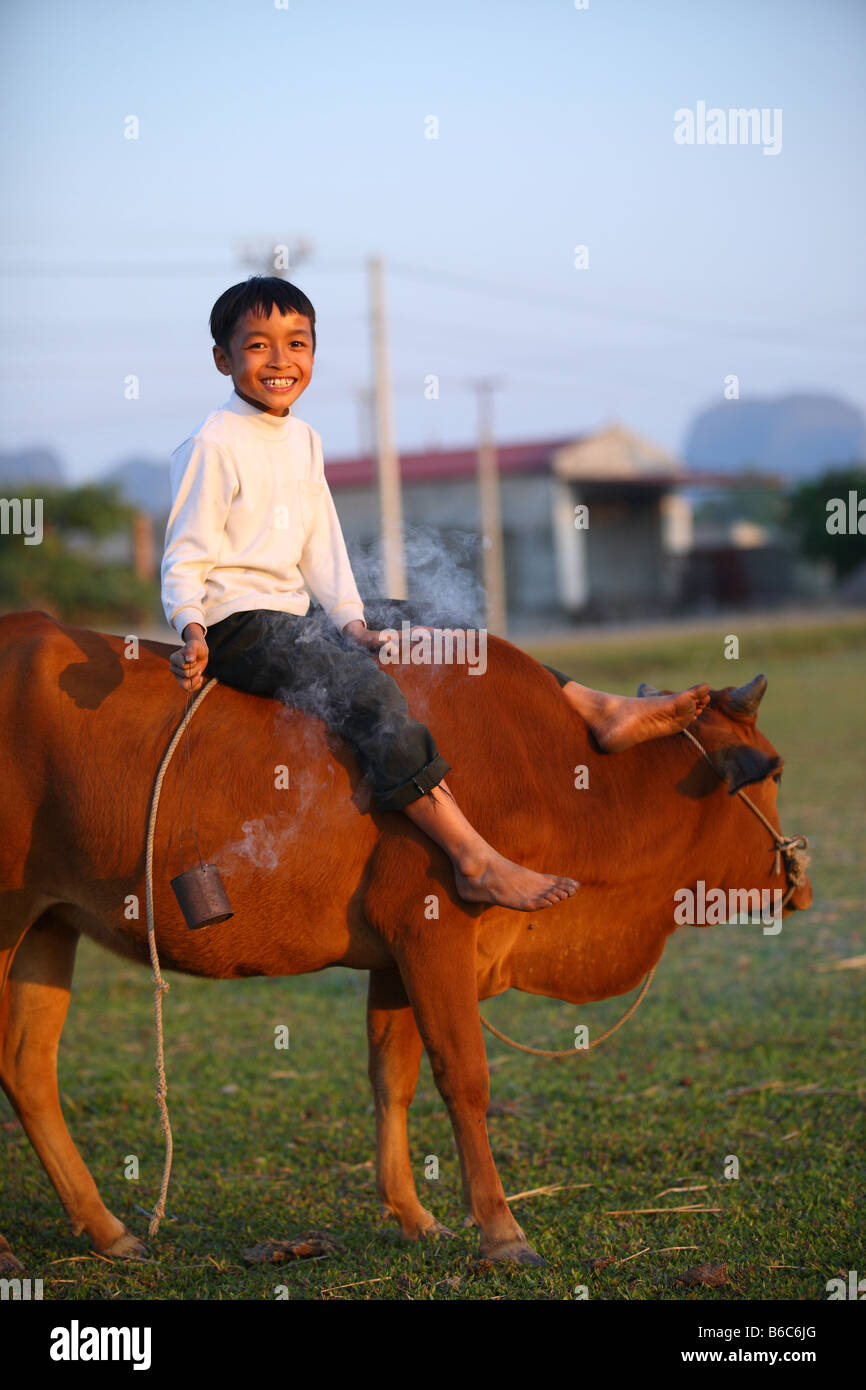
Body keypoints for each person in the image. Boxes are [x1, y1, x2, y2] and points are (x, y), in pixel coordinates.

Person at [161, 277, 709, 916]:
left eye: (297, 343)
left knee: (437, 627)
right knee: (369, 692)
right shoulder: (212, 444)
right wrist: (193, 628)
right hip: (239, 625)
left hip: (298, 613)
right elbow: (186, 552)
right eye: (258, 346)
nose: (281, 360)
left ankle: (595, 707)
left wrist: (353, 620)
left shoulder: (303, 440)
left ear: (314, 352)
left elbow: (322, 546)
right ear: (223, 360)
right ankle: (474, 859)